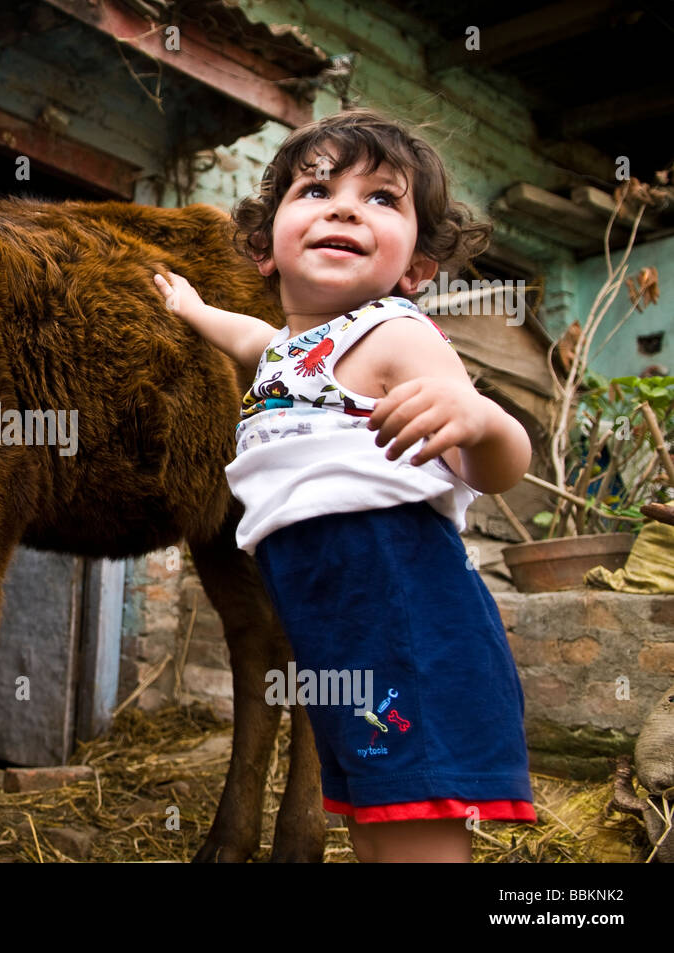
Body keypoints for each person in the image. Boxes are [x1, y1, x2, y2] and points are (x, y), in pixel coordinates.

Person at [154, 109, 538, 863]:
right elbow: (251, 337)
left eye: (382, 198)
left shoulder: (397, 334)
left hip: (406, 618)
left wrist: (481, 417)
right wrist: (193, 309)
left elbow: (501, 470)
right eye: (317, 188)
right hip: (333, 624)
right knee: (373, 818)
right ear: (266, 248)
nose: (343, 206)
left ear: (417, 267)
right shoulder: (290, 355)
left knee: (413, 830)